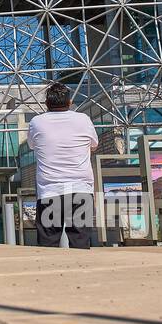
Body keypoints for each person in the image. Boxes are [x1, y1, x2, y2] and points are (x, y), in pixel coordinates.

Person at [27, 82, 98, 249]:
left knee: (48, 243)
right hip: (81, 190)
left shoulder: (36, 122)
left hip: (50, 191)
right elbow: (94, 144)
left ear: (46, 103)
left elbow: (32, 145)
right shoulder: (84, 119)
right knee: (81, 242)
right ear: (69, 102)